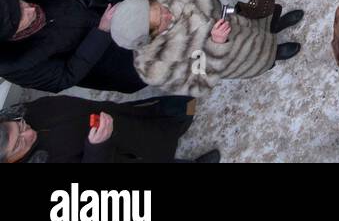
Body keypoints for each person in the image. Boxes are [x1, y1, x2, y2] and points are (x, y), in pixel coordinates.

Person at [109, 0, 303, 93]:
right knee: (260, 55)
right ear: (148, 38)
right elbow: (198, 83)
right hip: (240, 56)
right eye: (161, 22)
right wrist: (216, 45)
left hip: (244, 16)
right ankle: (273, 54)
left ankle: (273, 26)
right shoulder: (154, 68)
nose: (168, 14)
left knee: (265, 21)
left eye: (160, 8)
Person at [0, 0, 144, 94]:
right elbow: (63, 78)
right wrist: (101, 33)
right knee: (154, 71)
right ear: (11, 35)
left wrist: (124, 2)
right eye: (22, 17)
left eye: (20, 2)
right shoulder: (14, 66)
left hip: (124, 16)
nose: (31, 8)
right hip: (109, 62)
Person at [2, 95, 219, 163]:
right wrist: (96, 147)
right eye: (20, 143)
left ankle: (180, 126)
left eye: (20, 126)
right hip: (123, 156)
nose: (29, 133)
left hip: (125, 118)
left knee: (186, 104)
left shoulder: (27, 111)